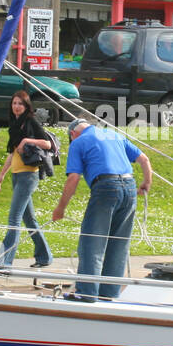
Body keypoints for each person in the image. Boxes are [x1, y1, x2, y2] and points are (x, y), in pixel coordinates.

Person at [52, 119, 152, 301]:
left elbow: (73, 179)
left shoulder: (78, 143)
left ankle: (86, 293)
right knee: (118, 243)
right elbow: (144, 159)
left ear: (72, 134)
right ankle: (109, 294)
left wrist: (60, 208)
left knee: (92, 242)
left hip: (105, 186)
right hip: (129, 186)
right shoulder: (114, 134)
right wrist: (146, 182)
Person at [0, 90, 54, 269]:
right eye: (14, 103)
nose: (17, 107)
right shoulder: (14, 124)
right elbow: (13, 153)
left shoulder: (31, 121)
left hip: (29, 174)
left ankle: (4, 262)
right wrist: (2, 174)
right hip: (17, 174)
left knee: (14, 219)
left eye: (20, 103)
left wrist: (28, 140)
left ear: (26, 106)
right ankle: (45, 256)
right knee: (29, 219)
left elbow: (48, 144)